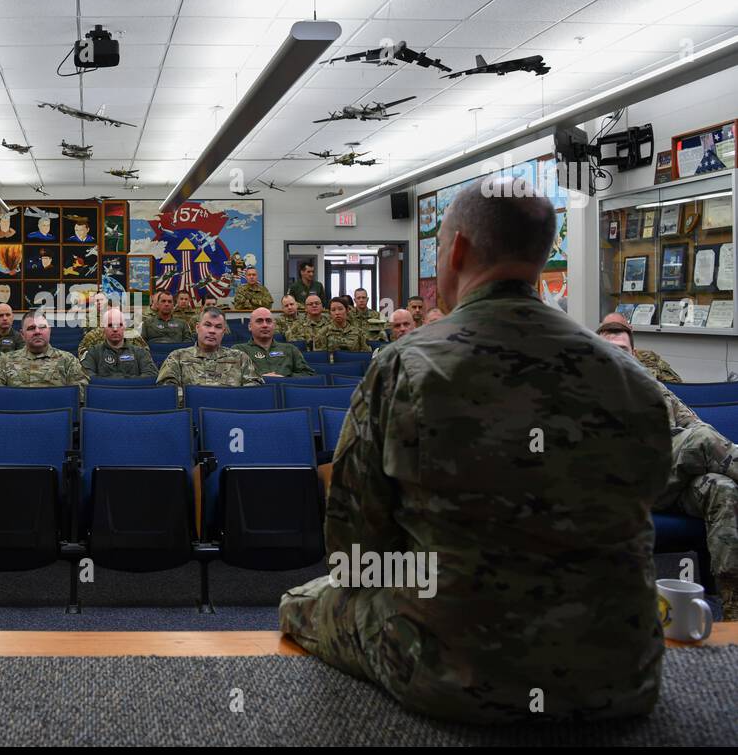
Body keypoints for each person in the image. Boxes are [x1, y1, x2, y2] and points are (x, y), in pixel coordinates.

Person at [280, 175, 673, 724]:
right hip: (619, 675)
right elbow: (647, 501)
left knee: (306, 599)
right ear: (541, 254)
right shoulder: (632, 378)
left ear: (457, 249)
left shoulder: (405, 365)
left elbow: (353, 550)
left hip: (456, 675)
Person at [597, 322, 737, 619]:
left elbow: (695, 424)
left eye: (622, 350)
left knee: (722, 488)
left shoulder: (655, 389)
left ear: (634, 353)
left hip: (675, 482)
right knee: (701, 441)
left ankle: (732, 607)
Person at [156, 306, 263, 404]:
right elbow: (167, 393)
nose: (212, 331)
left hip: (232, 416)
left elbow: (254, 391)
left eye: (218, 327)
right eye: (207, 325)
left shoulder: (240, 358)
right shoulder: (177, 357)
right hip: (191, 418)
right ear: (197, 328)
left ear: (224, 331)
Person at [0, 310, 89, 400]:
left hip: (55, 418)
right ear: (22, 334)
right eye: (31, 328)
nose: (37, 332)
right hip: (16, 418)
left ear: (49, 330)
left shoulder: (68, 360)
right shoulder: (5, 361)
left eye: (42, 327)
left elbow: (80, 394)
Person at [601, 311, 683, 383]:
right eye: (608, 330)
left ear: (631, 330)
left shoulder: (650, 359)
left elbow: (676, 386)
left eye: (620, 329)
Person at [233, 307, 316, 377]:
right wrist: (260, 378)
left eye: (268, 321)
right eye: (259, 321)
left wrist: (285, 377)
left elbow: (309, 374)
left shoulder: (290, 349)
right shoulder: (239, 350)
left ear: (274, 326)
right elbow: (232, 377)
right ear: (250, 326)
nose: (265, 325)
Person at [82, 308, 158, 378]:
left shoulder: (140, 353)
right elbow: (87, 375)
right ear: (103, 328)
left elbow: (150, 374)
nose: (115, 329)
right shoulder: (93, 353)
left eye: (119, 325)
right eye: (110, 325)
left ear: (125, 327)